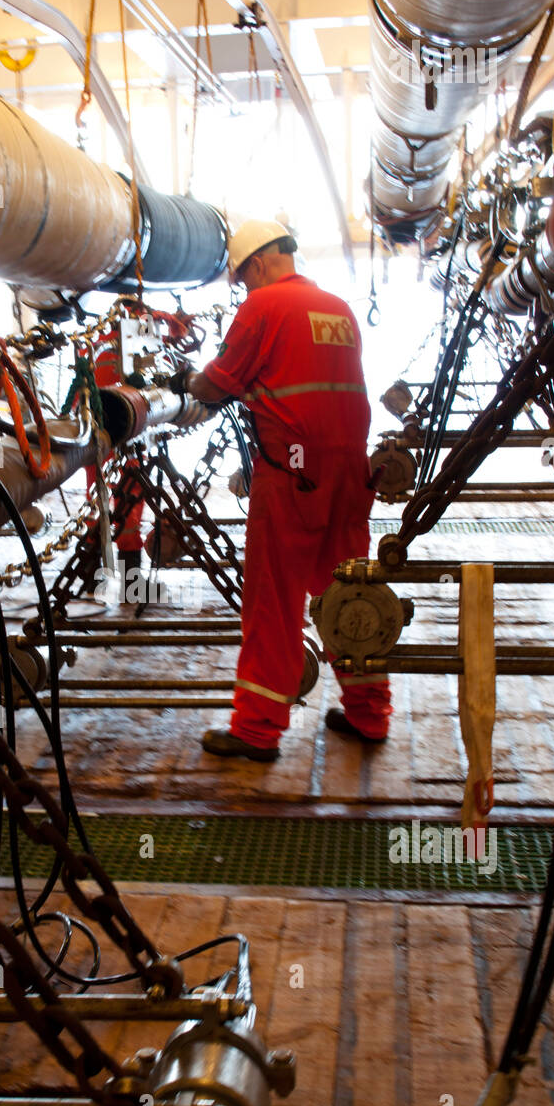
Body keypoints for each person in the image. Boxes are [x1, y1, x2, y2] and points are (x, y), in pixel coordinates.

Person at [171, 219, 392, 762]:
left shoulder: (263, 306)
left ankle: (257, 730)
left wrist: (183, 381)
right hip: (347, 470)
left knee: (274, 599)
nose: (244, 287)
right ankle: (370, 714)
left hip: (293, 472)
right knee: (348, 591)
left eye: (243, 276)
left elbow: (215, 383)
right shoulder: (337, 309)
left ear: (260, 263)